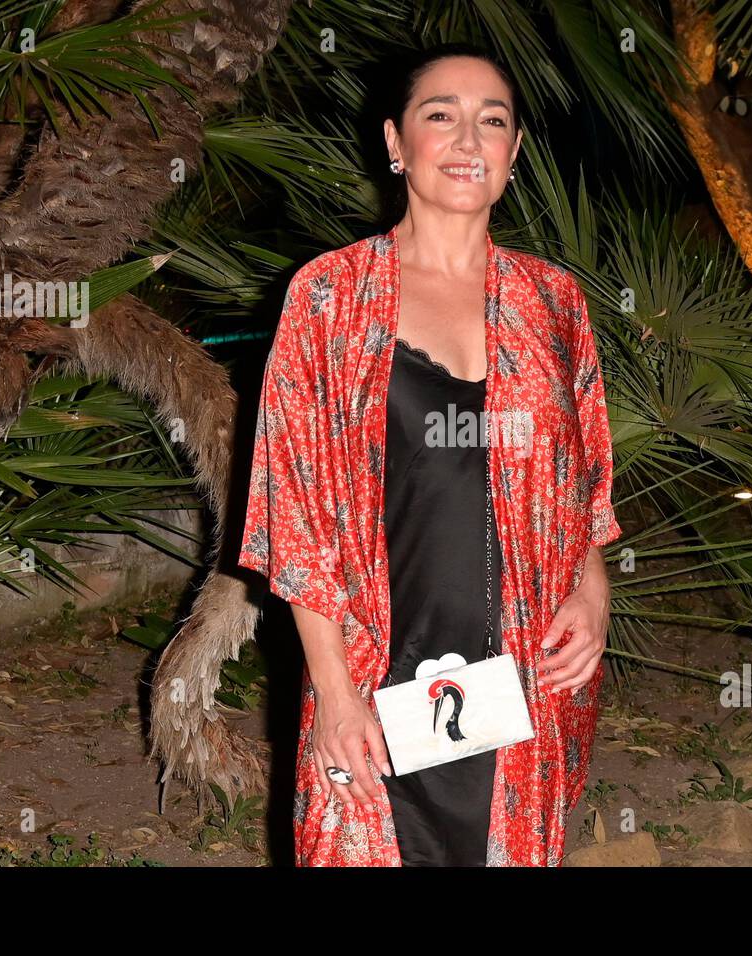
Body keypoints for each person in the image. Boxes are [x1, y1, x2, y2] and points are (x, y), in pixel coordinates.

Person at [238, 42, 622, 866]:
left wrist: (594, 596)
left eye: (492, 122)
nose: (466, 139)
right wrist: (335, 696)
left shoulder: (553, 300)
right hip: (379, 669)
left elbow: (585, 484)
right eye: (439, 115)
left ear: (513, 154)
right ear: (394, 142)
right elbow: (297, 515)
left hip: (524, 675)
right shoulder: (330, 297)